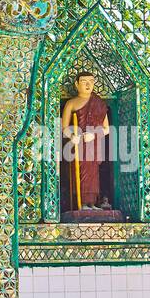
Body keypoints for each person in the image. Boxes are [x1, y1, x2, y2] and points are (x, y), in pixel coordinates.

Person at [61, 69, 113, 215]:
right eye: (84, 82)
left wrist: (94, 134)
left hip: (94, 144)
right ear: (77, 84)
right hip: (77, 146)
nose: (88, 85)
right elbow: (64, 127)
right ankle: (81, 202)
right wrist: (72, 136)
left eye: (91, 81)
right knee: (80, 173)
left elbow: (107, 129)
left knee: (93, 173)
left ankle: (92, 202)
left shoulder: (99, 104)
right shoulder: (71, 103)